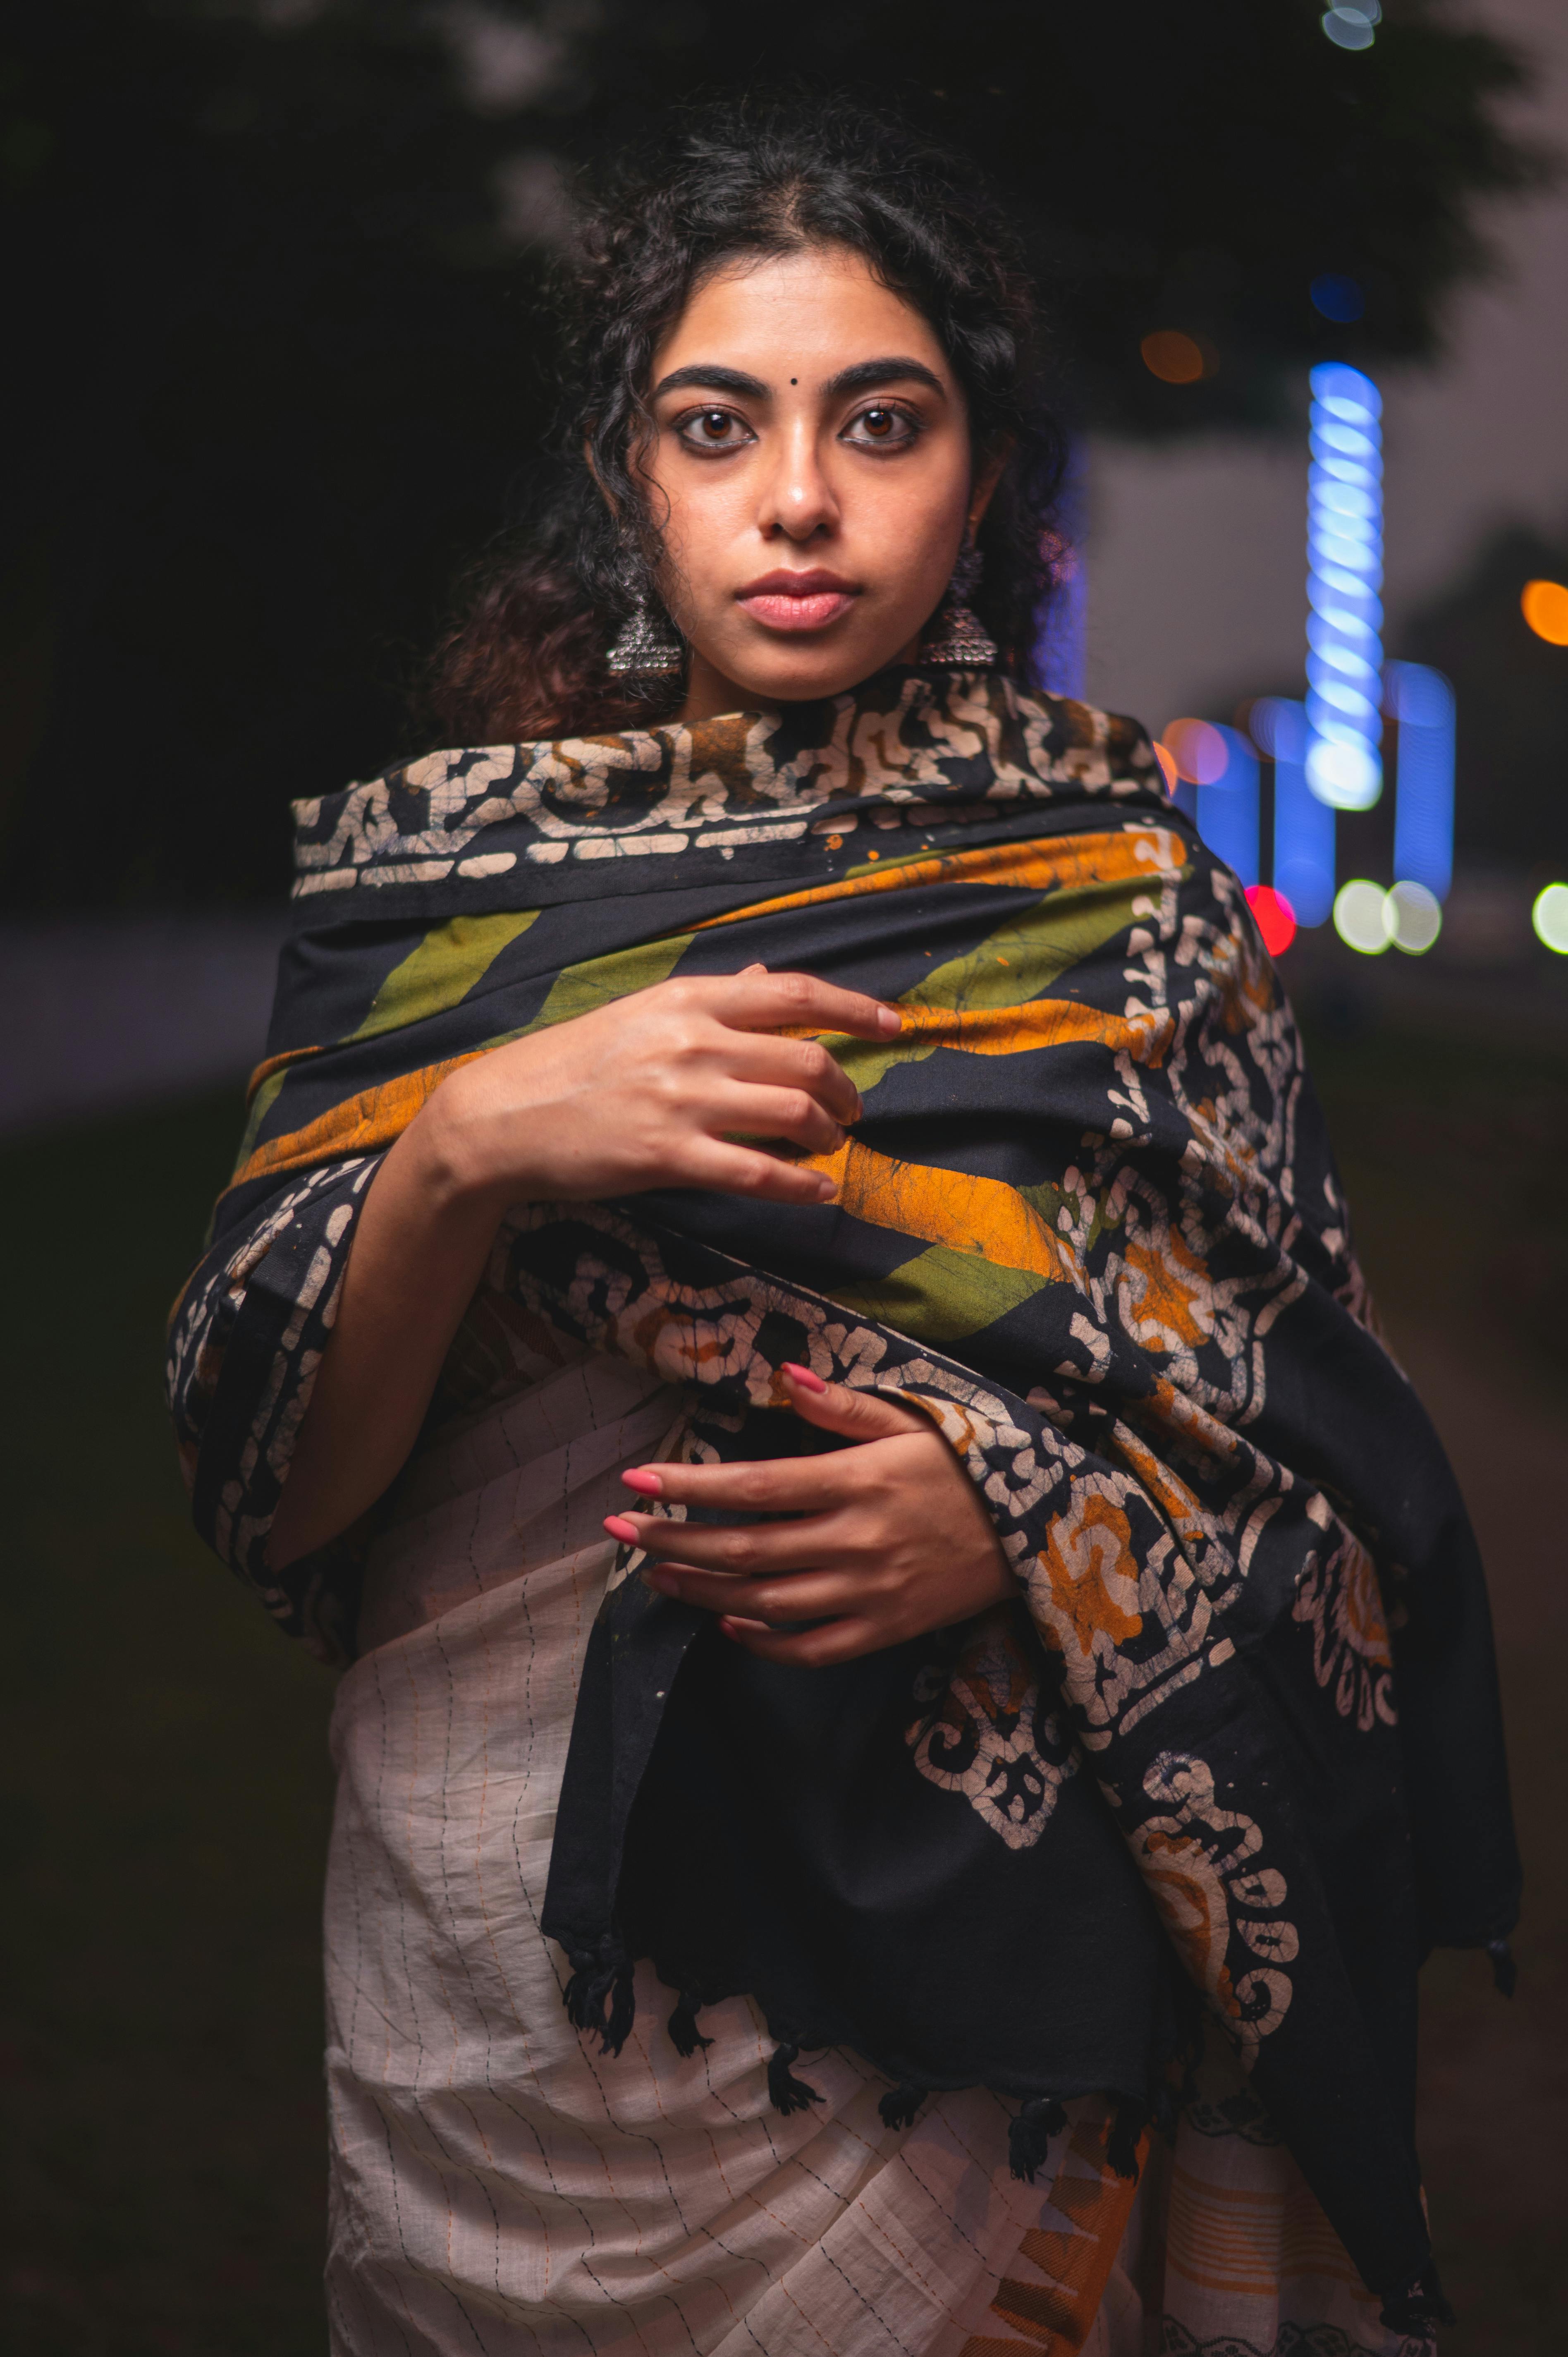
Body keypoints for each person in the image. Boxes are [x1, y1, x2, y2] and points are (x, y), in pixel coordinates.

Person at [168, 96, 1518, 2357]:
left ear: (982, 480)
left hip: (967, 2036)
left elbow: (1343, 1488)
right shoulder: (441, 914)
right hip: (474, 1972)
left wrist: (1028, 1520)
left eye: (881, 423)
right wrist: (468, 1142)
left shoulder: (1133, 918)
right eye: (720, 425)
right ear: (630, 476)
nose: (799, 497)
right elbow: (264, 1487)